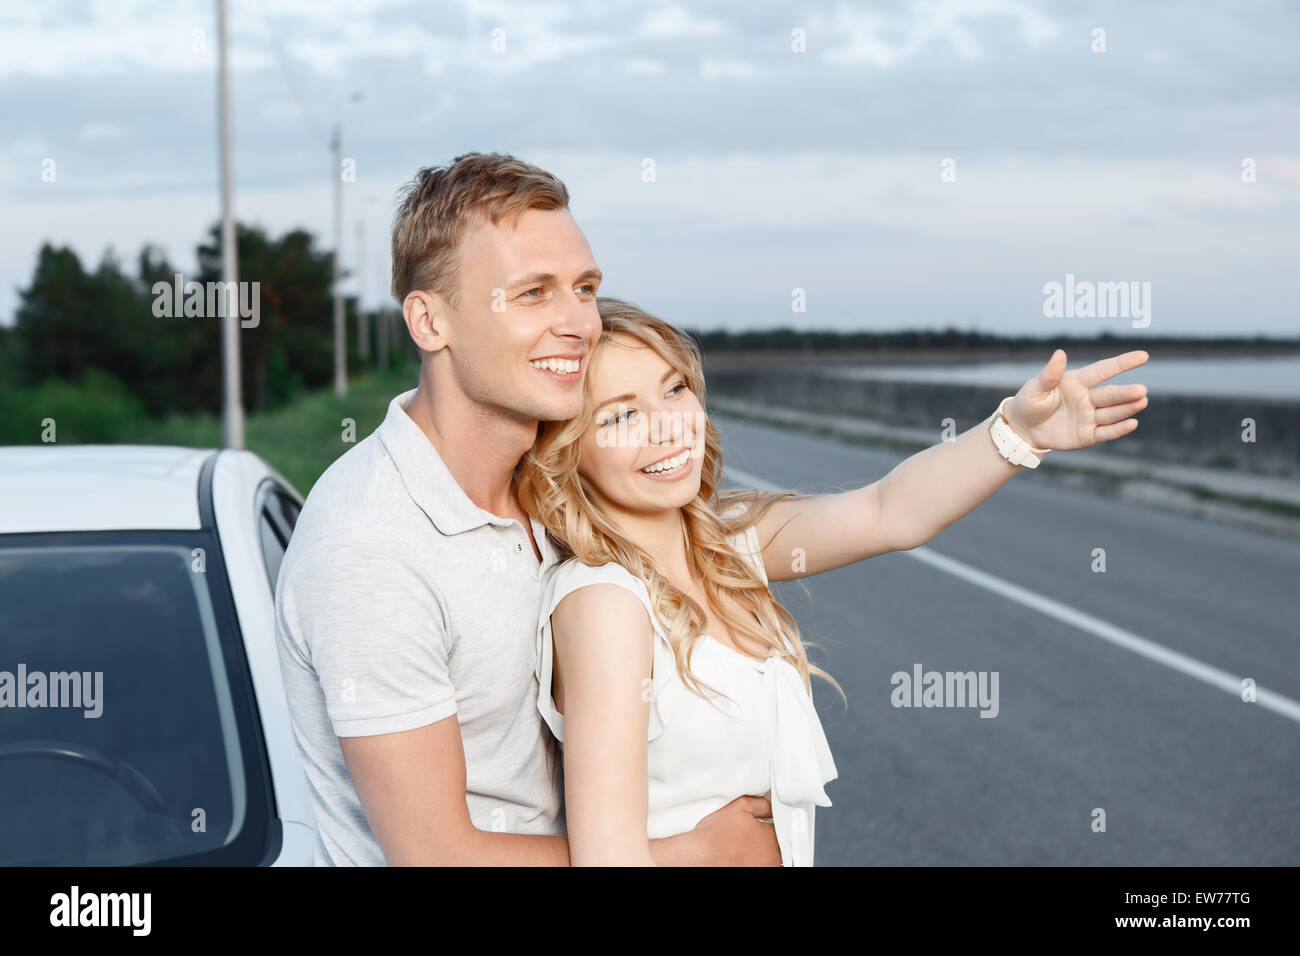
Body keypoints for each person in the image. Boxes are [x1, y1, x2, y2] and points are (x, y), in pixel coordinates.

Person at [274, 153, 782, 865]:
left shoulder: (552, 479)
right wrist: (693, 854)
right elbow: (435, 856)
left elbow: (786, 530)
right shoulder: (370, 545)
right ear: (429, 321)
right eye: (534, 293)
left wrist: (999, 437)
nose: (580, 323)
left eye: (584, 288)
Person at [517, 296, 1149, 866]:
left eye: (674, 389)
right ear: (569, 450)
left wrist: (1016, 433)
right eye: (621, 417)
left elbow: (888, 513)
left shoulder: (727, 542)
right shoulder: (606, 603)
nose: (668, 426)